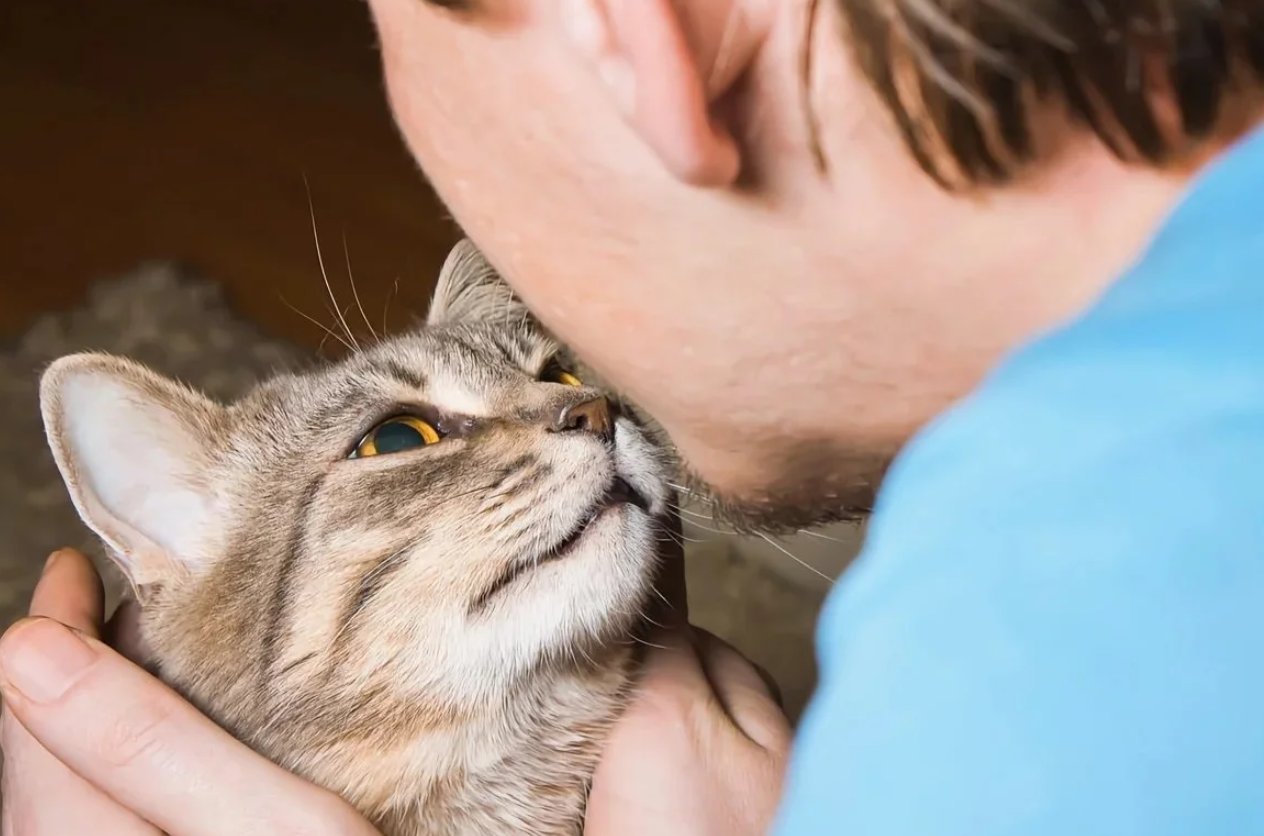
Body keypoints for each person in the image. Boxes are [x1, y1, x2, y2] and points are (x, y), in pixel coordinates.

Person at [4, 0, 1264, 832]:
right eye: (405, 436)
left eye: (551, 364)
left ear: (631, 37)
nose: (577, 412)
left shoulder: (1023, 675)